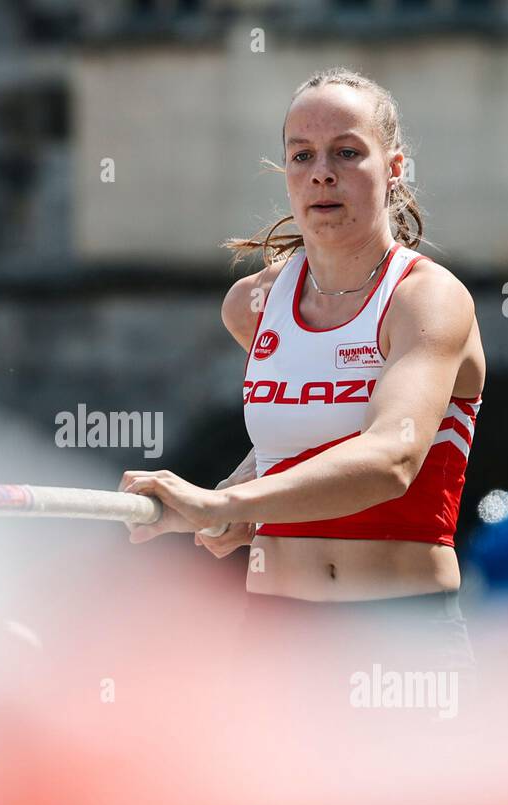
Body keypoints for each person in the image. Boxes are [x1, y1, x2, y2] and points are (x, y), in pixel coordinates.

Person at [120, 69, 485, 723]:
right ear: (285, 171)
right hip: (275, 641)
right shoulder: (252, 307)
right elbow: (292, 447)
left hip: (398, 644)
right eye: (302, 155)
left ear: (394, 168)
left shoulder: (426, 299)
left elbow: (389, 460)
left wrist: (221, 501)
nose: (322, 174)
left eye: (347, 152)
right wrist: (237, 501)